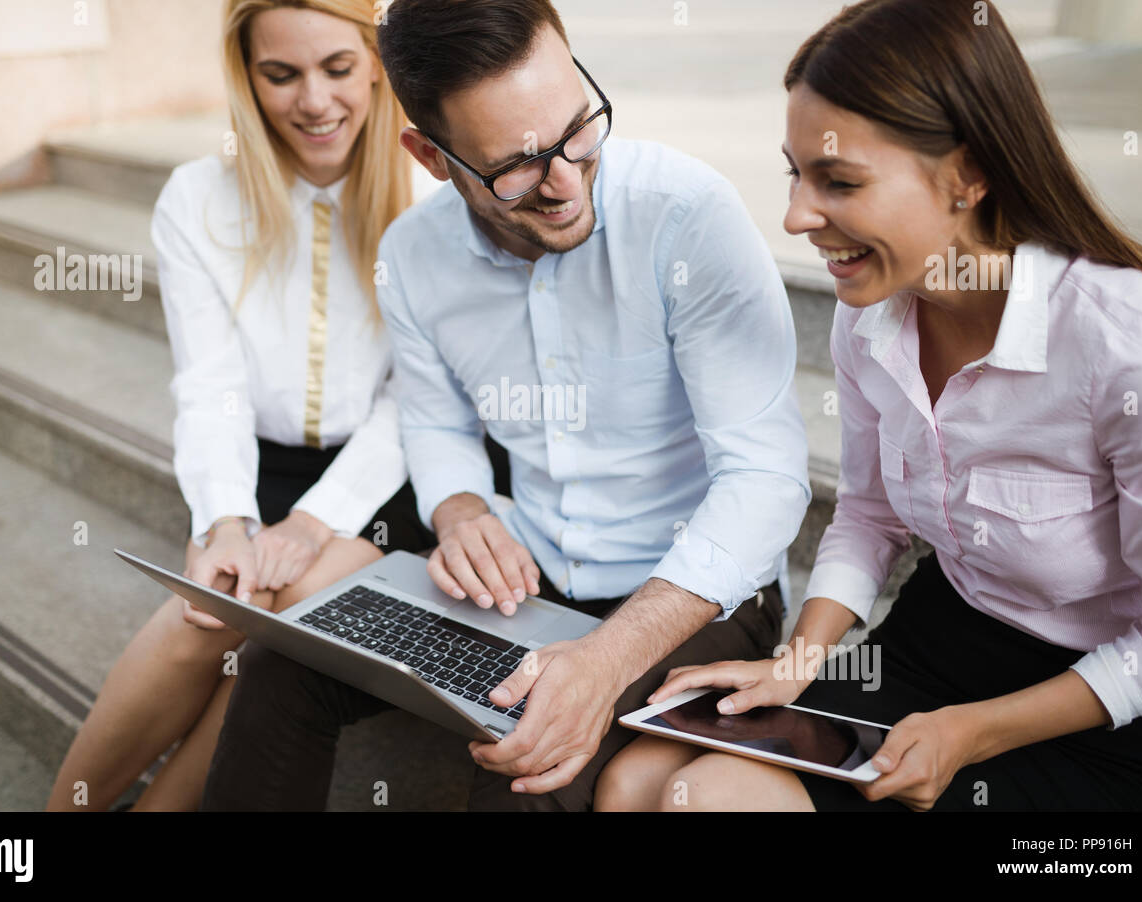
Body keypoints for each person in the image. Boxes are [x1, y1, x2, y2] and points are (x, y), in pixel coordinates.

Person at [200, 0, 811, 812]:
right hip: (528, 585)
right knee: (282, 667)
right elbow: (435, 422)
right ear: (430, 155)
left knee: (524, 788)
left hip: (695, 598)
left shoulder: (688, 218)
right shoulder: (414, 257)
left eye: (578, 129)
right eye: (517, 165)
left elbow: (766, 480)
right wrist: (458, 512)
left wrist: (605, 659)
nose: (565, 182)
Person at [596, 0, 1142, 812]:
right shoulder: (870, 316)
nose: (797, 216)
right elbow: (869, 514)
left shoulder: (1138, 349)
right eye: (794, 175)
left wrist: (966, 734)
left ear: (967, 176)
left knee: (715, 793)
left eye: (838, 182)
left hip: (1080, 718)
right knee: (636, 779)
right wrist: (796, 661)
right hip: (926, 646)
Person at [46, 0, 422, 812]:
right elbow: (209, 383)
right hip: (263, 463)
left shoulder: (430, 197)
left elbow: (415, 401)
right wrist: (223, 518)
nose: (314, 102)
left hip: (391, 478)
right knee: (205, 619)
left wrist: (316, 521)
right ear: (246, 77)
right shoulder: (196, 198)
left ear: (377, 64)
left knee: (271, 618)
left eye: (337, 68)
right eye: (280, 74)